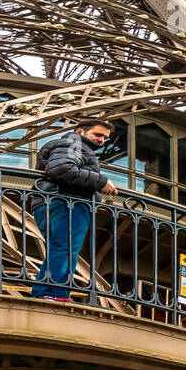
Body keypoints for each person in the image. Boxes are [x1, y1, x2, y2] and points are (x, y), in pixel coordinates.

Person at [29, 118, 114, 302]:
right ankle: (50, 294)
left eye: (105, 138)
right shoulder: (73, 143)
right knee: (65, 249)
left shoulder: (74, 146)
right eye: (98, 134)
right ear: (80, 131)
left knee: (62, 249)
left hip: (53, 201)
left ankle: (53, 293)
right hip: (66, 202)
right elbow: (62, 168)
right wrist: (101, 182)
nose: (101, 140)